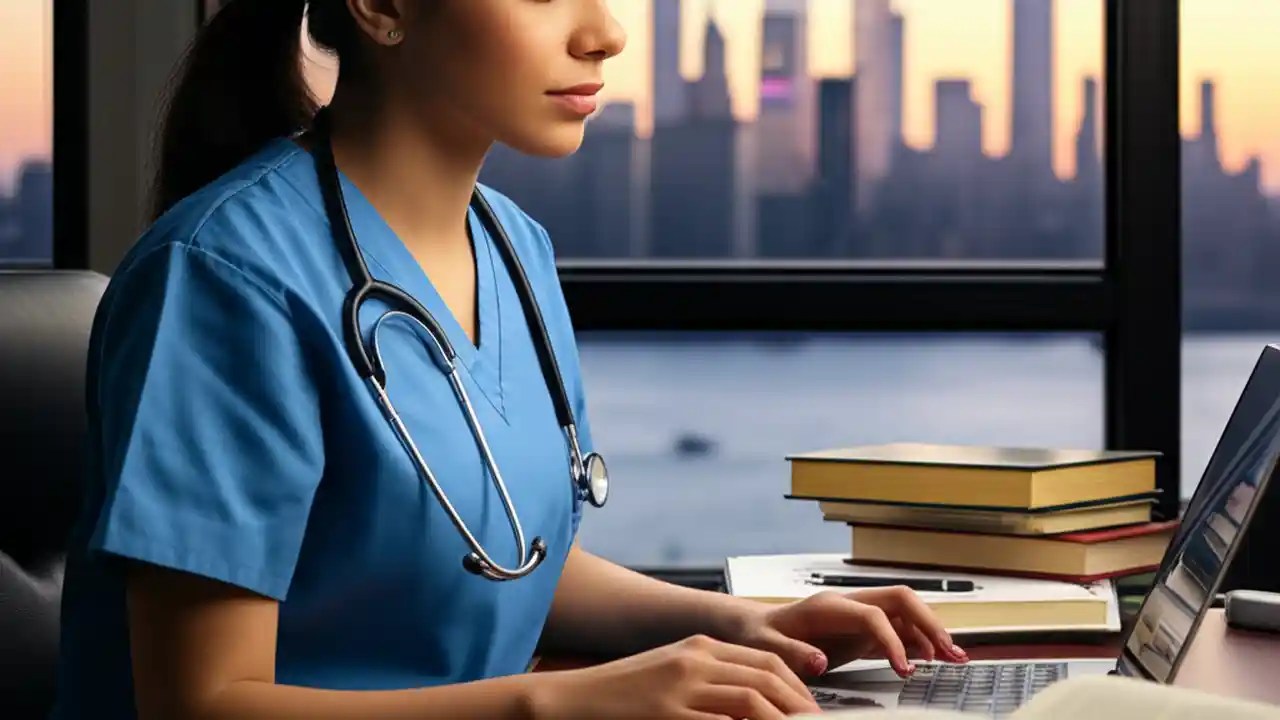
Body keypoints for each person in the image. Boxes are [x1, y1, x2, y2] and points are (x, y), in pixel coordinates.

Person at [51, 1, 968, 719]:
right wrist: (555, 704)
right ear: (382, 6)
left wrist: (745, 624)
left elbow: (501, 559)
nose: (605, 33)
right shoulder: (224, 279)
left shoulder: (514, 248)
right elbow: (202, 703)